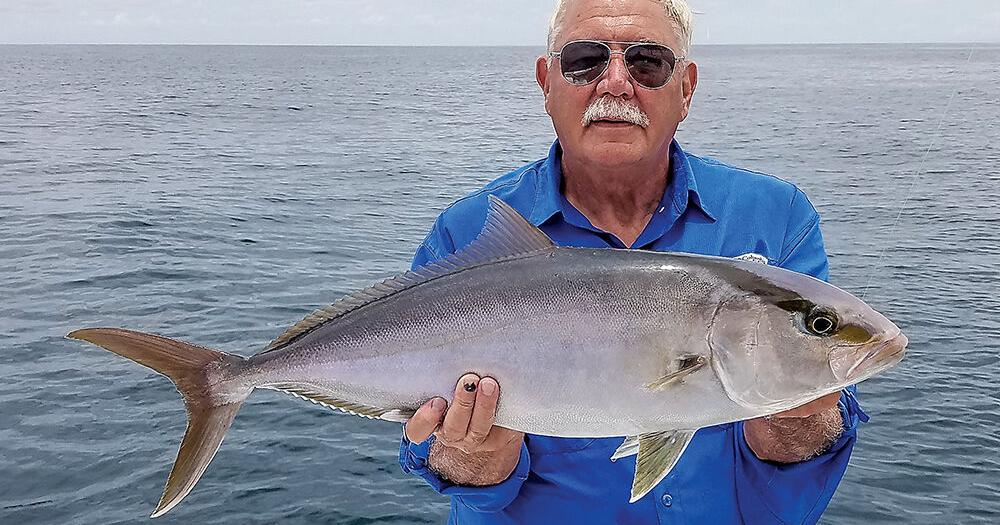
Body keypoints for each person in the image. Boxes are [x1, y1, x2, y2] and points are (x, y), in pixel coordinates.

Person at [398, 0, 867, 523]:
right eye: (584, 60)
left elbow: (798, 454)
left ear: (685, 89)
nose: (616, 83)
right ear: (545, 81)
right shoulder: (466, 231)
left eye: (647, 62)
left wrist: (801, 415)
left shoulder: (775, 216)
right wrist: (474, 456)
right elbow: (435, 457)